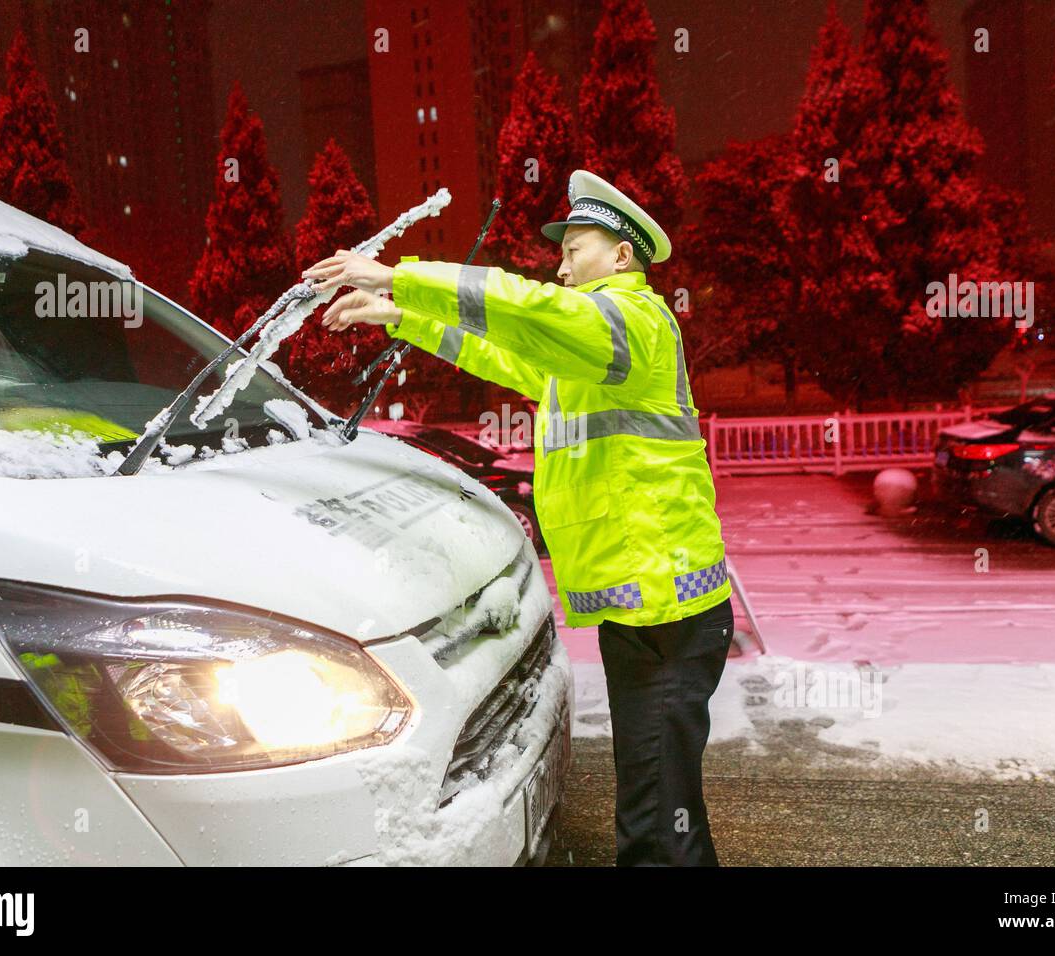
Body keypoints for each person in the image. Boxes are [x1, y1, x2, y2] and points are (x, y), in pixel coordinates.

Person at [306, 169, 735, 866]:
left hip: (668, 614)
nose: (560, 265)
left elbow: (527, 307)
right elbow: (502, 349)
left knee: (655, 822)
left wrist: (399, 279)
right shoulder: (589, 356)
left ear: (623, 256)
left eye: (577, 247)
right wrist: (404, 320)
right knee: (662, 801)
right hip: (654, 610)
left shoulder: (632, 321)